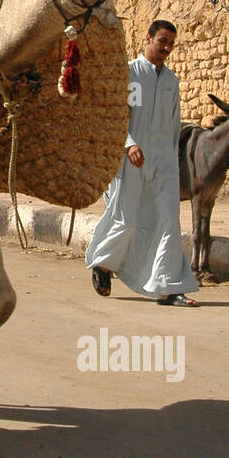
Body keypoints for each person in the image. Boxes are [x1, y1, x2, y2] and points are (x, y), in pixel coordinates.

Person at [85, 19, 200, 307]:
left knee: (169, 220)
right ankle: (103, 263)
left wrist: (173, 159)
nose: (167, 48)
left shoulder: (171, 81)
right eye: (162, 41)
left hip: (163, 161)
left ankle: (167, 287)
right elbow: (114, 114)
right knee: (127, 219)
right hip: (132, 159)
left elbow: (174, 122)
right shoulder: (130, 73)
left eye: (171, 44)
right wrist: (129, 144)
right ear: (147, 38)